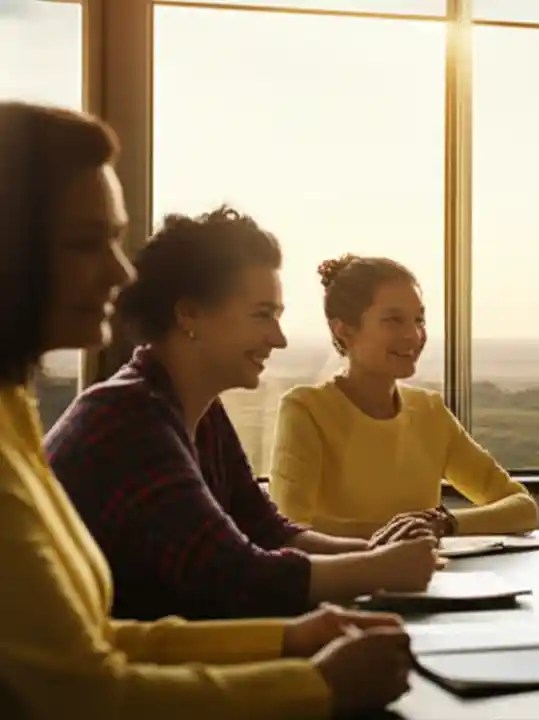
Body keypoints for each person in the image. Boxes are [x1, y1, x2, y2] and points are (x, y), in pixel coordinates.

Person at [0, 100, 410, 718]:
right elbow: (85, 692)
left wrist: (288, 638)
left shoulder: (15, 413)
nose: (119, 271)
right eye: (88, 244)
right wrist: (318, 684)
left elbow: (100, 638)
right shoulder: (123, 423)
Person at [44, 206, 438, 621]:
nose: (279, 338)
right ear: (189, 314)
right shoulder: (127, 423)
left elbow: (267, 530)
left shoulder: (200, 412)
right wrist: (378, 568)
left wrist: (378, 552)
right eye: (262, 315)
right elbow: (235, 578)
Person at [268, 254, 538, 538]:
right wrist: (407, 533)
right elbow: (290, 530)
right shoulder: (305, 410)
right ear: (344, 330)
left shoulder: (429, 411)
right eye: (394, 320)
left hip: (427, 579)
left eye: (418, 319)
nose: (413, 334)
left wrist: (445, 524)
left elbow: (522, 508)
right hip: (346, 581)